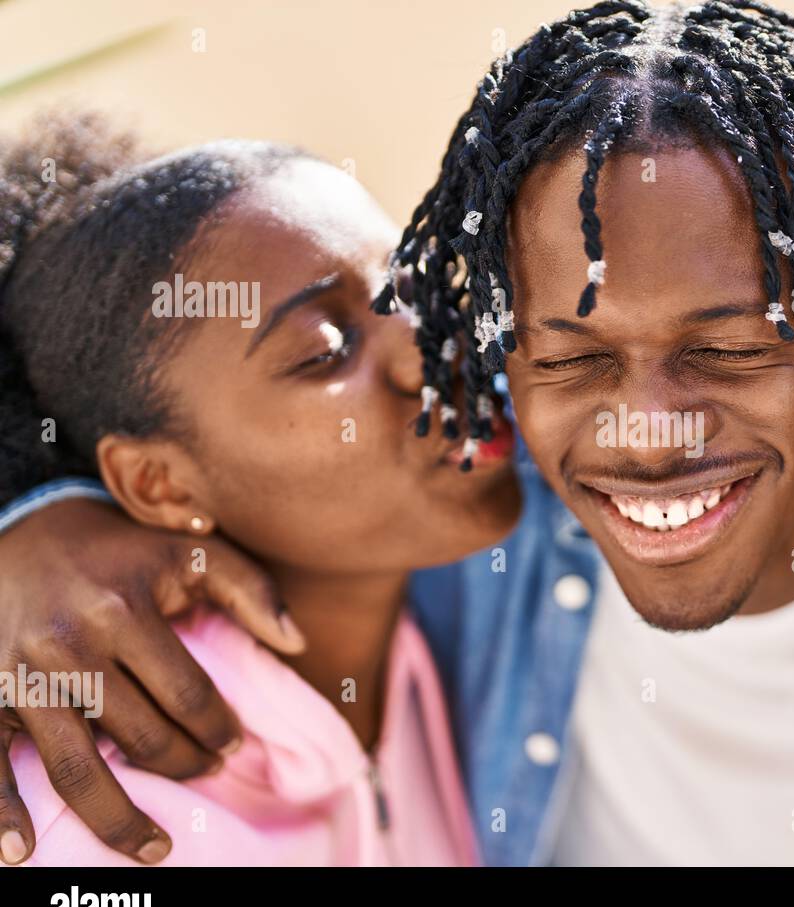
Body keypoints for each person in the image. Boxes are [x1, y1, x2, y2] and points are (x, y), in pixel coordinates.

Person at [0, 1, 794, 866]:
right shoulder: (476, 508)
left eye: (728, 348)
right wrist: (31, 517)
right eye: (568, 353)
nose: (642, 424)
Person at [0, 115, 519, 865]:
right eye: (325, 349)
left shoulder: (416, 661)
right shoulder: (81, 826)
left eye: (410, 283)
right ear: (158, 483)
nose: (430, 346)